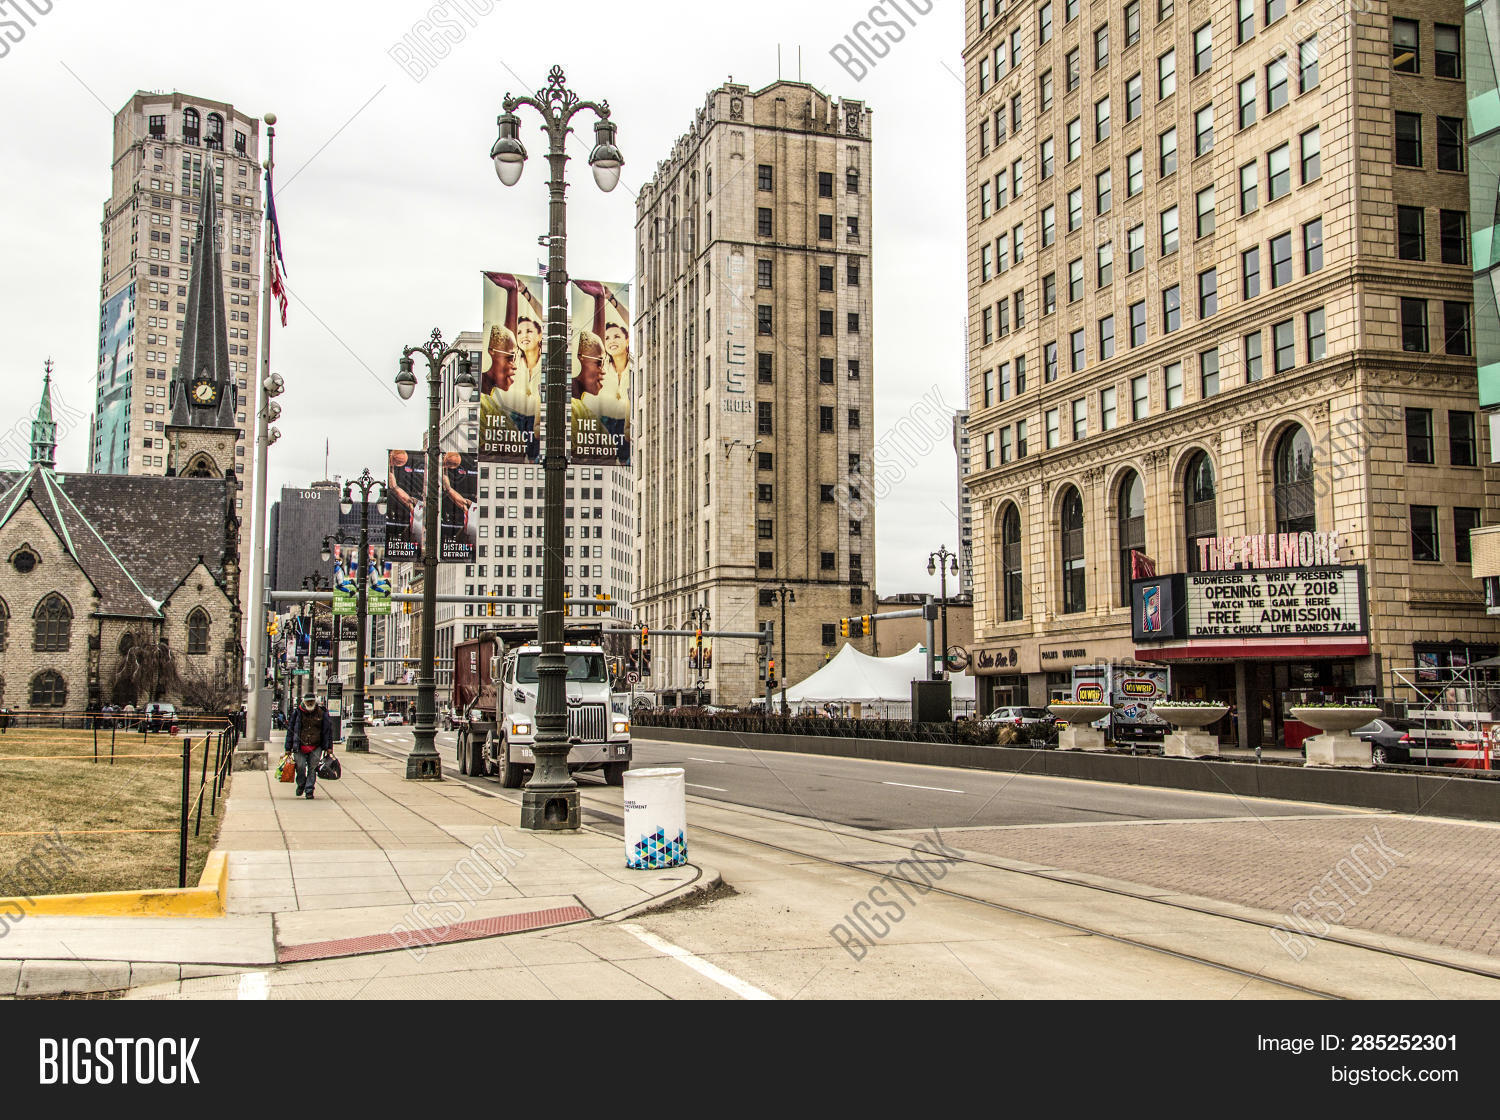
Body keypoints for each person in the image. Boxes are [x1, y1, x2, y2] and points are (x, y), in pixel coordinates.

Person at [284, 692, 334, 799]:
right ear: (304, 702)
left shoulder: (322, 712)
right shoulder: (297, 713)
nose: (310, 703)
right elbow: (290, 731)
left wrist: (329, 747)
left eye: (312, 701)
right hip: (300, 746)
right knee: (300, 767)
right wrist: (288, 748)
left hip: (316, 746)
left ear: (315, 701)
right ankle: (301, 784)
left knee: (313, 768)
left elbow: (328, 731)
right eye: (308, 701)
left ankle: (309, 789)